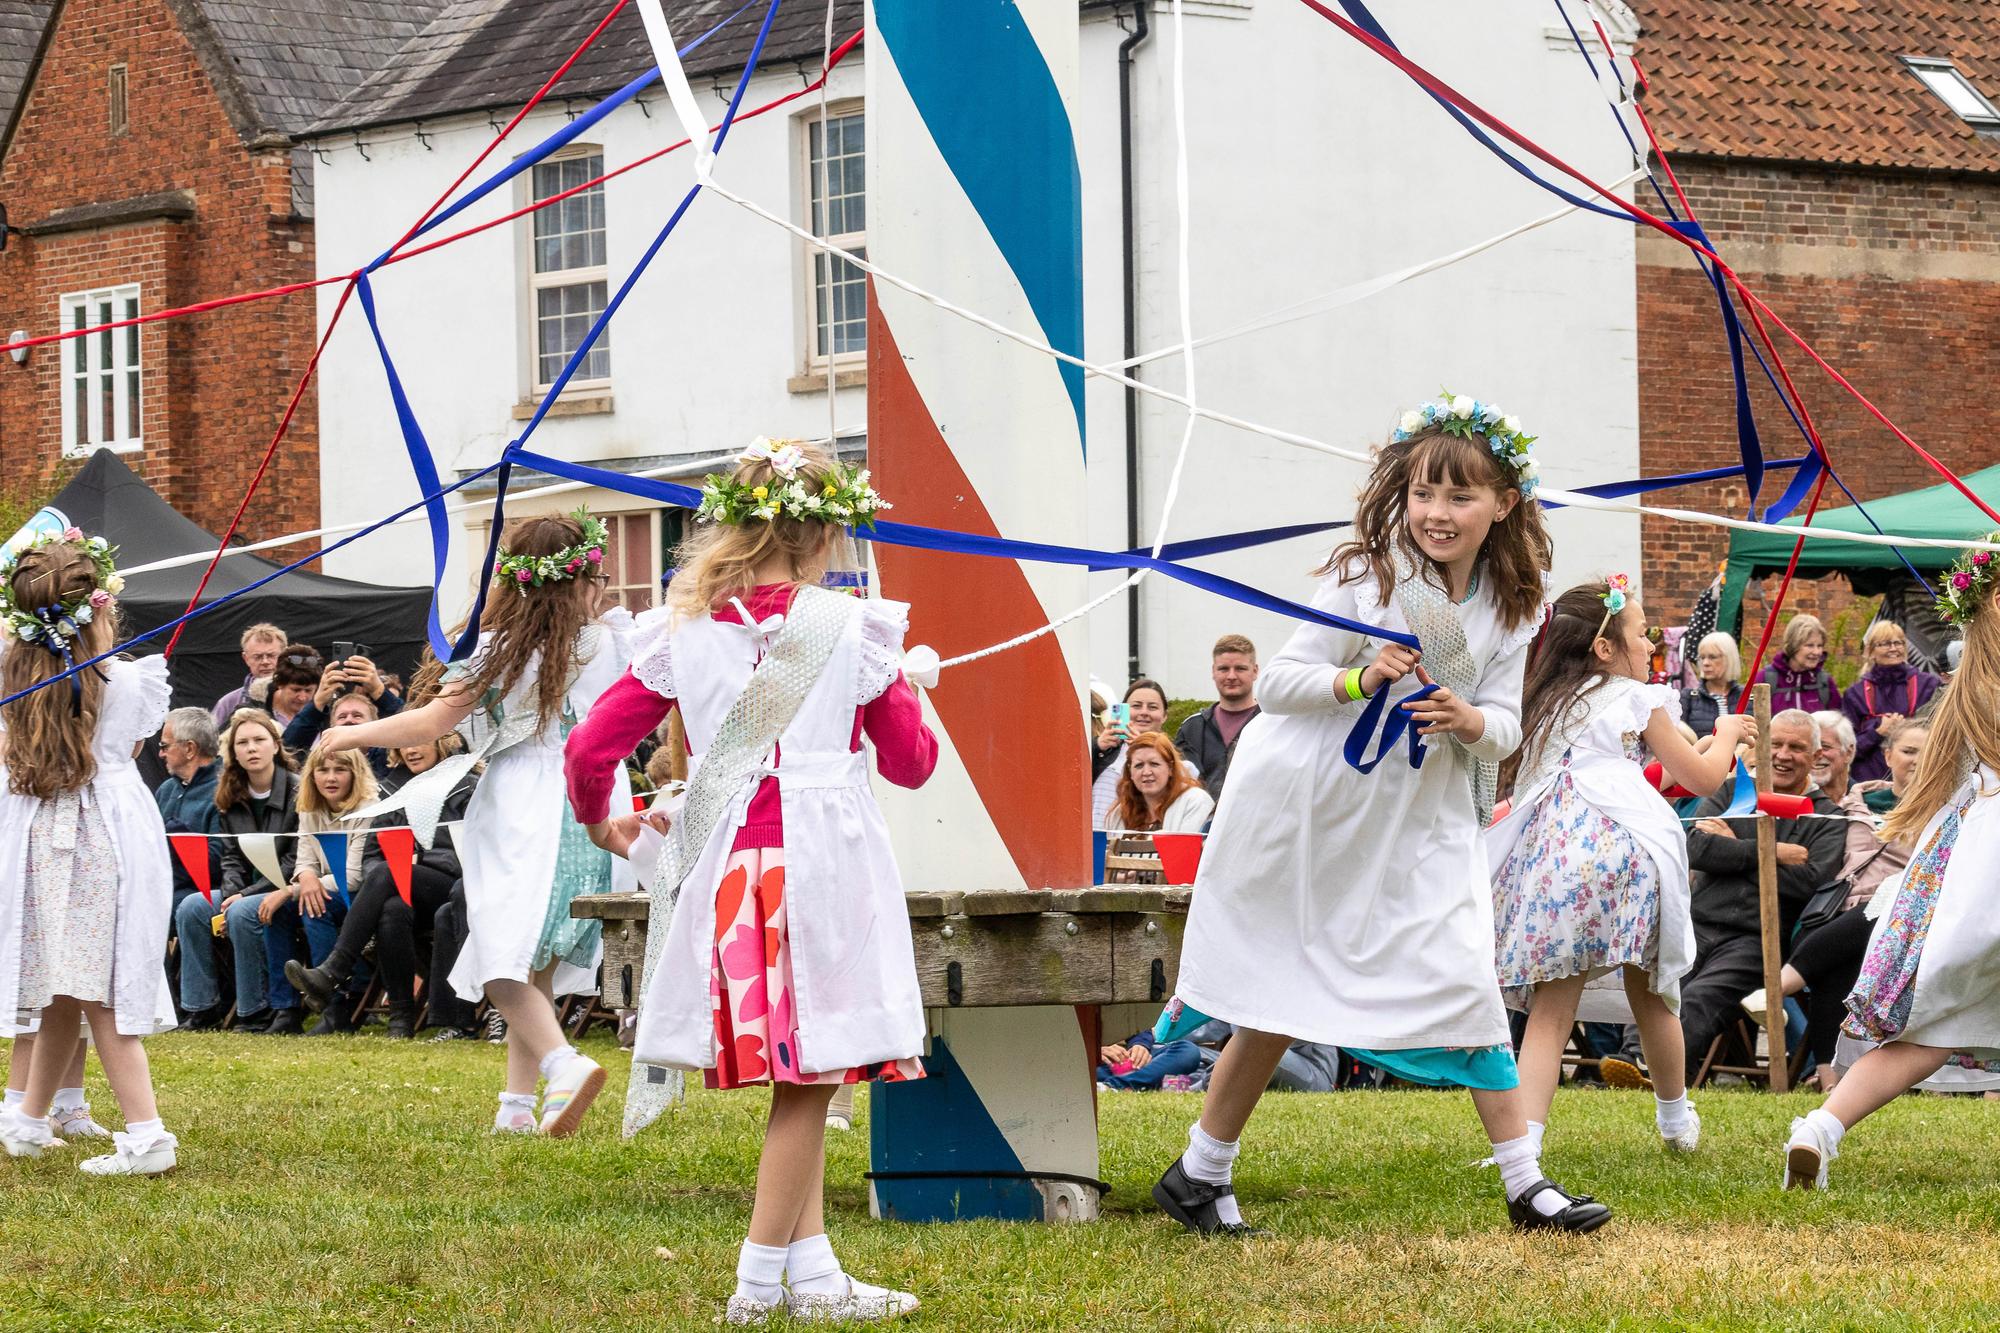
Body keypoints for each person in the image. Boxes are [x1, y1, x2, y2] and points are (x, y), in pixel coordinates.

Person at [1151, 394, 1611, 1234]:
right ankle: (1200, 1168)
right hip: (1318, 805)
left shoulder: (1516, 603)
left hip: (1423, 814)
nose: (1437, 513)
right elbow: (1281, 685)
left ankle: (1526, 1184)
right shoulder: (1369, 576)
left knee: (1464, 968)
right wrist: (1362, 679)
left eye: (1460, 496)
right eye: (1424, 493)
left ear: (1504, 504)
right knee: (1281, 984)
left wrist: (1470, 722)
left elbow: (1505, 720)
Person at [564, 439, 936, 1322]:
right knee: (811, 1079)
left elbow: (590, 750)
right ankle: (759, 1281)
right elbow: (913, 764)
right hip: (819, 864)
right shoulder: (852, 629)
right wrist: (911, 691)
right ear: (824, 534)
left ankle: (814, 1274)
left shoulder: (681, 630)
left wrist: (600, 817)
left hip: (733, 868)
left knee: (800, 1068)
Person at [320, 509, 637, 1138]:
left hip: (525, 804)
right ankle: (518, 1108)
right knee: (534, 956)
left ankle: (563, 1065)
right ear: (583, 581)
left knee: (498, 953)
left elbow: (433, 723)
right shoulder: (611, 643)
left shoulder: (499, 648)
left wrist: (346, 734)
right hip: (594, 801)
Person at [1489, 578, 1755, 1159]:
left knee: (1552, 1009)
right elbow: (1701, 778)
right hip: (1624, 855)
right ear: (1606, 649)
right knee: (1653, 991)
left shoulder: (1546, 703)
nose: (1651, 645)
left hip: (1555, 863)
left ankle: (1525, 1144)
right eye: (1642, 634)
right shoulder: (1636, 697)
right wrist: (1728, 734)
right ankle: (1675, 1118)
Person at [1784, 544, 2000, 1188]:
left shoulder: (1966, 692)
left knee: (1932, 1029)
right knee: (1937, 1028)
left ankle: (1819, 1128)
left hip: (1968, 874)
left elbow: (1939, 793)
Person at [0, 530, 179, 1175]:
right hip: (109, 833)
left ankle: (146, 1136)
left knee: (89, 990)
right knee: (71, 988)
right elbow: (128, 749)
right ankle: (27, 1117)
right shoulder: (129, 681)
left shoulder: (11, 681)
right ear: (101, 608)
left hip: (42, 839)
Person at [1653, 710, 1845, 1086]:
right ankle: (1631, 1064)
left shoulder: (1826, 817)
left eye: (1797, 747)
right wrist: (1773, 852)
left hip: (1756, 938)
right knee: (1660, 989)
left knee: (1700, 999)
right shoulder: (1732, 791)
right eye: (1776, 744)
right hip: (1699, 921)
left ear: (1815, 756)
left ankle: (1660, 1077)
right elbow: (1694, 847)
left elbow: (1807, 882)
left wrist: (1732, 846)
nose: (1784, 755)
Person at [1743, 718, 1927, 1091]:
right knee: (1834, 968)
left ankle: (1776, 989)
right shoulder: (1853, 804)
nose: (1917, 760)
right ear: (1888, 756)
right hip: (1837, 913)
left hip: (1906, 919)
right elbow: (1788, 814)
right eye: (1908, 751)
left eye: (1927, 753)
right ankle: (1830, 1081)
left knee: (1888, 901)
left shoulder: (1945, 812)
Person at [289, 735, 477, 1040]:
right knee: (391, 908)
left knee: (389, 873)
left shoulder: (467, 785)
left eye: (420, 741)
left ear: (440, 742)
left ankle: (334, 970)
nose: (412, 748)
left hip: (457, 881)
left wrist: (408, 868)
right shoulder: (392, 790)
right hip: (407, 884)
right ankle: (401, 1018)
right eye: (405, 743)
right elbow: (372, 857)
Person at [259, 745, 374, 1037]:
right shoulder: (310, 809)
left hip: (361, 899)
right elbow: (305, 862)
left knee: (313, 904)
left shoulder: (370, 808)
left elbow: (354, 876)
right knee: (278, 910)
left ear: (355, 773)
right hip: (325, 889)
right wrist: (304, 880)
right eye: (323, 770)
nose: (330, 778)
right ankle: (285, 1009)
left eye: (340, 770)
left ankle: (335, 1008)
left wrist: (296, 888)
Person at [211, 711, 303, 1033]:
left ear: (276, 746)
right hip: (243, 889)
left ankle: (255, 1012)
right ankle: (202, 1008)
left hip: (287, 886)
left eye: (259, 740)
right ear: (233, 752)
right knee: (192, 908)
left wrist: (243, 896)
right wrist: (229, 894)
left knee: (241, 913)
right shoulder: (229, 794)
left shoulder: (298, 791)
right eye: (243, 742)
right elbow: (231, 857)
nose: (252, 748)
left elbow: (294, 860)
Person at [1842, 620, 1943, 782]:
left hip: (1918, 778)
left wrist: (1905, 729)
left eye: (1898, 643)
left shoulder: (1929, 685)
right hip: (1869, 782)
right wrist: (1877, 732)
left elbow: (1939, 732)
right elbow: (1847, 751)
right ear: (1871, 651)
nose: (1894, 648)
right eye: (1885, 644)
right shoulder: (1855, 694)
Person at [153, 707, 222, 920]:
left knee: (150, 909)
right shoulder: (166, 789)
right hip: (163, 886)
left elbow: (217, 864)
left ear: (190, 749)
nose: (160, 753)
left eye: (165, 746)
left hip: (202, 891)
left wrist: (177, 835)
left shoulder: (225, 789)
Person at [1174, 635, 1261, 802]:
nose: (1231, 676)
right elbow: (1178, 783)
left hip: (1255, 824)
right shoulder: (1192, 729)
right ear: (1213, 671)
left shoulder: (1270, 724)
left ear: (1255, 671)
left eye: (1240, 668)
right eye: (1223, 669)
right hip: (1200, 825)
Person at [283, 660, 404, 780]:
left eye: (357, 715)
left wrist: (378, 691)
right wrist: (318, 703)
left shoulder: (387, 760)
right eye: (342, 716)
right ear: (331, 726)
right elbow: (287, 752)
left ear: (373, 723)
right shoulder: (320, 760)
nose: (349, 720)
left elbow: (406, 726)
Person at [1091, 679, 1171, 828]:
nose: (1144, 712)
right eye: (1136, 706)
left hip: (1139, 841)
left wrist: (1143, 749)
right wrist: (1096, 748)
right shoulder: (1107, 749)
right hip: (1096, 838)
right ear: (1124, 710)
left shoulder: (1172, 756)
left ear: (1164, 715)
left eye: (1152, 707)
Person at [1103, 732, 1215, 834]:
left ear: (1170, 768)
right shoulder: (1119, 814)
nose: (1146, 772)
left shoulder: (1195, 802)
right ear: (1130, 771)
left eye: (1154, 764)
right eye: (1139, 765)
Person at [1759, 614, 1840, 715]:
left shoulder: (1824, 682)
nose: (1817, 652)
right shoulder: (1765, 679)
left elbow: (1837, 724)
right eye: (1810, 645)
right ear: (1793, 645)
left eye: (1820, 646)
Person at [210, 623, 288, 725]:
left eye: (271, 655)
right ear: (246, 658)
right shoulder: (228, 703)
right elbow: (212, 739)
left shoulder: (302, 698)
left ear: (286, 655)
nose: (265, 662)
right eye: (258, 657)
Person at [1679, 632, 1743, 738]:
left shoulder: (1748, 696)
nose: (1705, 663)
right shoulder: (1689, 697)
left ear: (1729, 658)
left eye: (1712, 657)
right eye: (1702, 657)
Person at [1097, 1027, 1202, 1091]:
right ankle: (1117, 1085)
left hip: (1131, 1061)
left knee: (1188, 1050)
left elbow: (1137, 1024)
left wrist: (1140, 1044)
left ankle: (1110, 1086)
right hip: (1093, 1065)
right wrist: (1094, 1050)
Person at [260, 645, 323, 730]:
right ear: (280, 684)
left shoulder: (327, 712)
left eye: (308, 690)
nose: (302, 697)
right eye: (296, 690)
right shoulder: (254, 710)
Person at [1810, 709, 1856, 805]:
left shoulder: (1870, 801)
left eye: (1825, 747)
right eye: (1810, 747)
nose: (1815, 754)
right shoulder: (1792, 802)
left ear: (1848, 752)